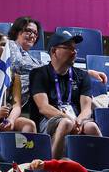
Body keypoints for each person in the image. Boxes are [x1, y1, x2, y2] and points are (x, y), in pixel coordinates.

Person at [21, 29, 103, 159]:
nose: (74, 51)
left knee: (91, 127)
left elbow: (86, 108)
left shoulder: (82, 76)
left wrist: (79, 120)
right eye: (68, 48)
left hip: (76, 119)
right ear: (54, 51)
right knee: (65, 123)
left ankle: (100, 169)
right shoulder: (39, 74)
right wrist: (70, 119)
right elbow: (43, 107)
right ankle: (53, 168)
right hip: (48, 120)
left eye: (75, 48)